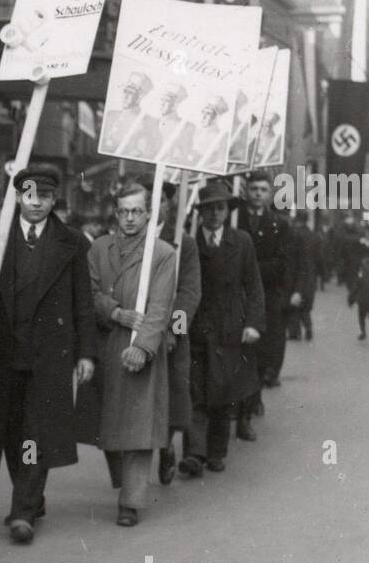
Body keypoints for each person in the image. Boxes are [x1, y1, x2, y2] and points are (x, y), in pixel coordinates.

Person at [0, 165, 97, 545]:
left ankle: (23, 508)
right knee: (10, 431)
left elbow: (82, 302)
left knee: (38, 430)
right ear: (18, 197)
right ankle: (31, 495)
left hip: (49, 355)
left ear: (54, 200)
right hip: (2, 353)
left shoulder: (73, 244)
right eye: (30, 195)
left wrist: (87, 354)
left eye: (45, 196)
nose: (36, 203)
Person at [89, 181, 177, 526]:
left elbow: (159, 307)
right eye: (123, 211)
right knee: (110, 425)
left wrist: (142, 347)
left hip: (142, 346)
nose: (129, 218)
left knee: (138, 427)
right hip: (109, 342)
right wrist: (115, 312)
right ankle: (122, 481)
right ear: (115, 213)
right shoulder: (98, 249)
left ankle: (131, 499)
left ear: (148, 214)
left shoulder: (163, 253)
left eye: (136, 211)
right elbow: (91, 291)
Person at [180, 179, 263, 477]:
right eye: (209, 209)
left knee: (223, 394)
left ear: (227, 211)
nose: (215, 214)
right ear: (200, 213)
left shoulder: (241, 242)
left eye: (220, 208)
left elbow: (253, 286)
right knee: (195, 391)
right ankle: (194, 453)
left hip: (230, 327)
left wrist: (253, 323)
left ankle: (216, 452)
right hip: (197, 326)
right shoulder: (188, 244)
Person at [235, 173, 297, 440]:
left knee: (259, 355)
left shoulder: (280, 225)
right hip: (235, 296)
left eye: (263, 189)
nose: (258, 193)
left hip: (265, 298)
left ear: (270, 194)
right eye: (254, 189)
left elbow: (283, 265)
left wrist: (248, 268)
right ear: (246, 191)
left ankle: (247, 411)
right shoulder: (234, 220)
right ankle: (237, 406)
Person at [158, 183, 200, 485]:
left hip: (171, 336)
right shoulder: (125, 239)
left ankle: (165, 445)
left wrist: (176, 329)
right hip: (133, 329)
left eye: (159, 200)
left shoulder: (182, 243)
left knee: (173, 394)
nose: (153, 207)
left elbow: (189, 292)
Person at [285, 214, 318, 342]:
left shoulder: (294, 234)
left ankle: (295, 331)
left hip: (297, 270)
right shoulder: (314, 235)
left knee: (294, 300)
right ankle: (308, 327)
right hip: (311, 272)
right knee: (306, 302)